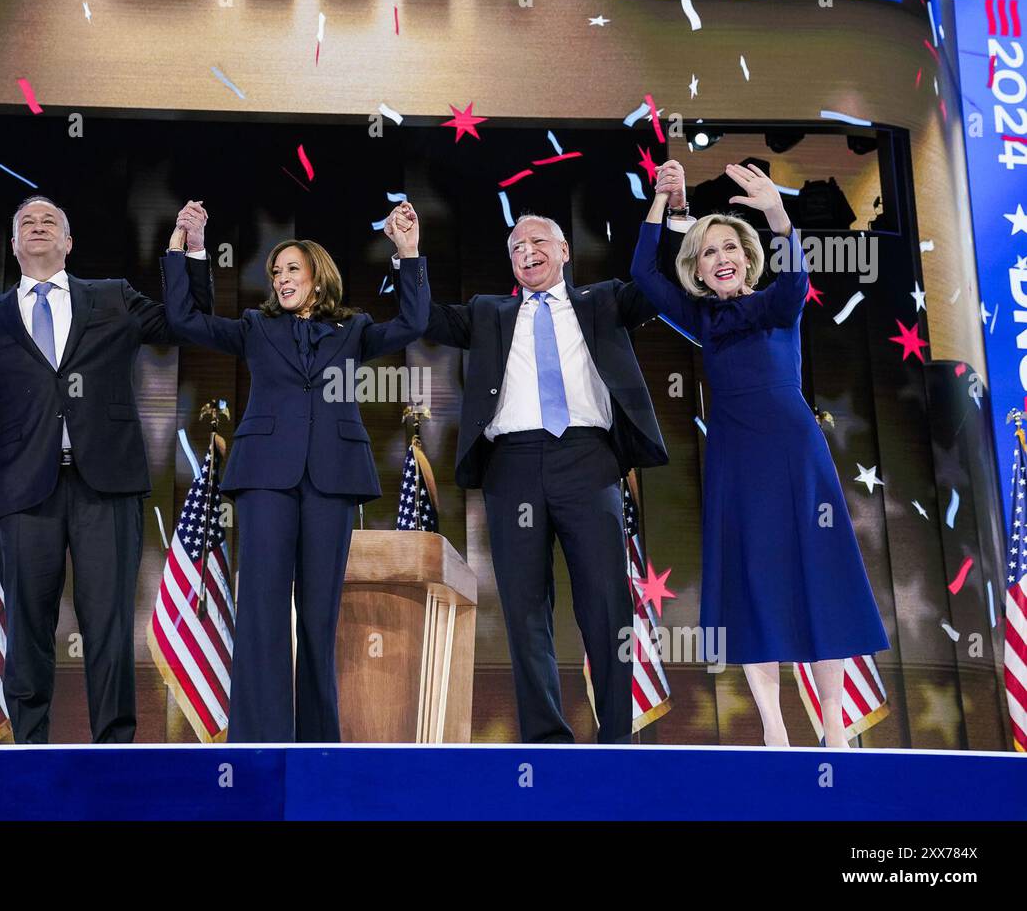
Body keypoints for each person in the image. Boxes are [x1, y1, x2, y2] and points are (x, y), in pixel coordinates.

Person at [394, 200, 684, 744]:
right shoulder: (488, 312)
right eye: (517, 248)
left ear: (565, 252)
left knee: (606, 603)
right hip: (513, 467)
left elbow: (659, 284)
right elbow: (423, 317)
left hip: (589, 460)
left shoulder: (603, 301)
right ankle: (546, 740)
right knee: (526, 607)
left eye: (538, 243)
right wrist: (409, 252)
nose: (527, 253)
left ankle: (617, 739)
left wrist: (673, 215)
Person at [632, 159, 890, 748]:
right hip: (736, 460)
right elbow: (643, 271)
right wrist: (661, 197)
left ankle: (832, 724)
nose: (720, 257)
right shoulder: (701, 318)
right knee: (751, 583)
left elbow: (797, 275)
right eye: (706, 252)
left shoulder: (779, 302)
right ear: (697, 270)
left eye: (729, 247)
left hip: (797, 455)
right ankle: (774, 728)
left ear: (747, 257)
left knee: (818, 577)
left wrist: (777, 211)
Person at [0, 195, 213, 744]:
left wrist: (190, 252)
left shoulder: (112, 297)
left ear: (68, 243)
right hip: (23, 492)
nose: (38, 227)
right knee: (26, 629)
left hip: (107, 486)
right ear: (14, 244)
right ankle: (29, 753)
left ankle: (114, 751)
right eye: (27, 222)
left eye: (50, 222)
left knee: (109, 626)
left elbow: (187, 324)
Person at [162, 200, 430, 743]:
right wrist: (184, 249)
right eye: (276, 272)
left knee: (319, 616)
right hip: (265, 480)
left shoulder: (353, 328)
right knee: (260, 610)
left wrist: (408, 253)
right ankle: (258, 740)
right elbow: (185, 320)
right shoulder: (255, 326)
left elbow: (413, 322)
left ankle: (316, 743)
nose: (282, 279)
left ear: (317, 276)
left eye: (292, 270)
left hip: (331, 479)